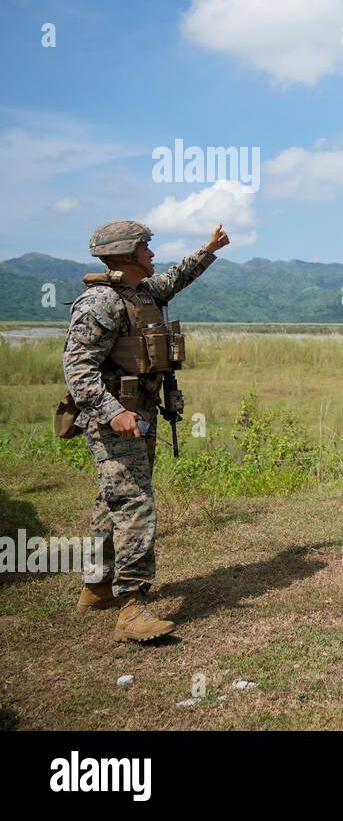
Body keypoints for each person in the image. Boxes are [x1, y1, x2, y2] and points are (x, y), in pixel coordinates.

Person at [64, 220, 229, 642]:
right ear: (125, 254)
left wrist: (208, 250)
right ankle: (132, 606)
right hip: (116, 421)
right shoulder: (100, 303)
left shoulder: (141, 294)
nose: (153, 255)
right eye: (146, 248)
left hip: (141, 416)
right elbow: (77, 370)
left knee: (112, 499)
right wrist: (112, 410)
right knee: (135, 503)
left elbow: (177, 277)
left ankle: (97, 587)